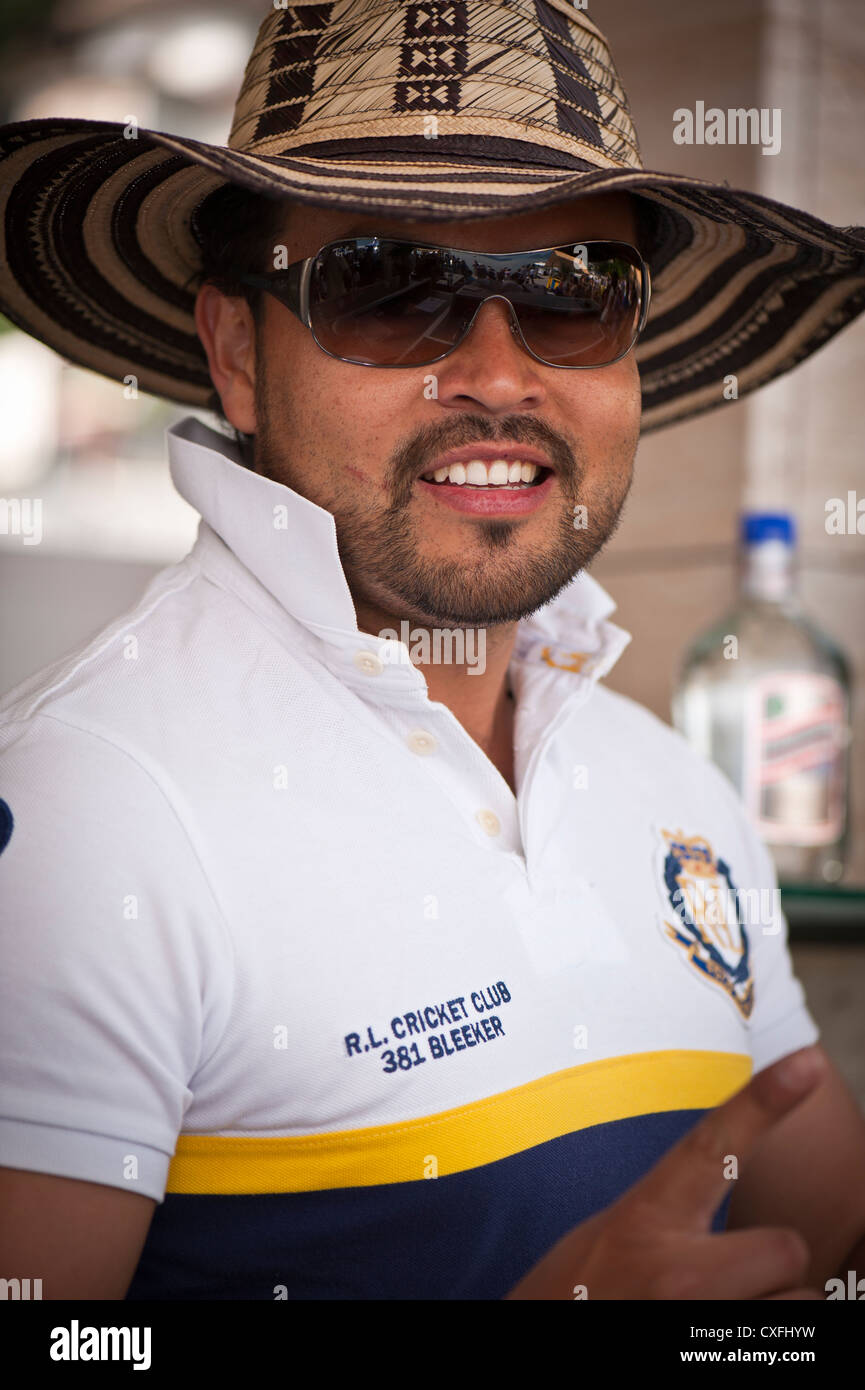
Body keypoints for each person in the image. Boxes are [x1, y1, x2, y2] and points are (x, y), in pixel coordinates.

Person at [1, 0, 864, 1301]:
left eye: (576, 294)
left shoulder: (667, 783)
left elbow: (825, 1235)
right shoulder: (85, 806)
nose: (499, 373)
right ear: (236, 354)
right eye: (391, 286)